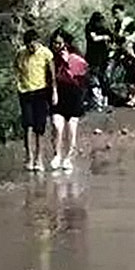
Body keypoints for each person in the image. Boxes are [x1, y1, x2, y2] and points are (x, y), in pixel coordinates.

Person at [14, 29, 57, 172]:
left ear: (38, 42)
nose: (31, 49)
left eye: (33, 46)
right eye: (29, 46)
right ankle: (29, 157)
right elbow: (16, 68)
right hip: (25, 92)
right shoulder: (21, 53)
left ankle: (39, 158)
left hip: (41, 91)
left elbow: (52, 74)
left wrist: (54, 92)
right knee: (27, 125)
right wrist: (17, 82)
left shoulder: (46, 53)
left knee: (40, 127)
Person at [49, 30, 88, 172]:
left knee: (72, 128)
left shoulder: (76, 58)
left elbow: (80, 77)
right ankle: (57, 154)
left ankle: (69, 157)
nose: (56, 45)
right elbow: (51, 77)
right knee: (56, 126)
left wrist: (67, 61)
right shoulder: (51, 58)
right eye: (54, 43)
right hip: (58, 93)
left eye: (59, 43)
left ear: (65, 43)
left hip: (74, 94)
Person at [83, 11, 112, 111]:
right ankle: (96, 101)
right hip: (93, 57)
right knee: (93, 79)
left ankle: (104, 100)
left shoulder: (105, 29)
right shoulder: (90, 27)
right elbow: (93, 38)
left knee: (103, 78)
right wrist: (105, 37)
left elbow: (111, 42)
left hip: (103, 57)